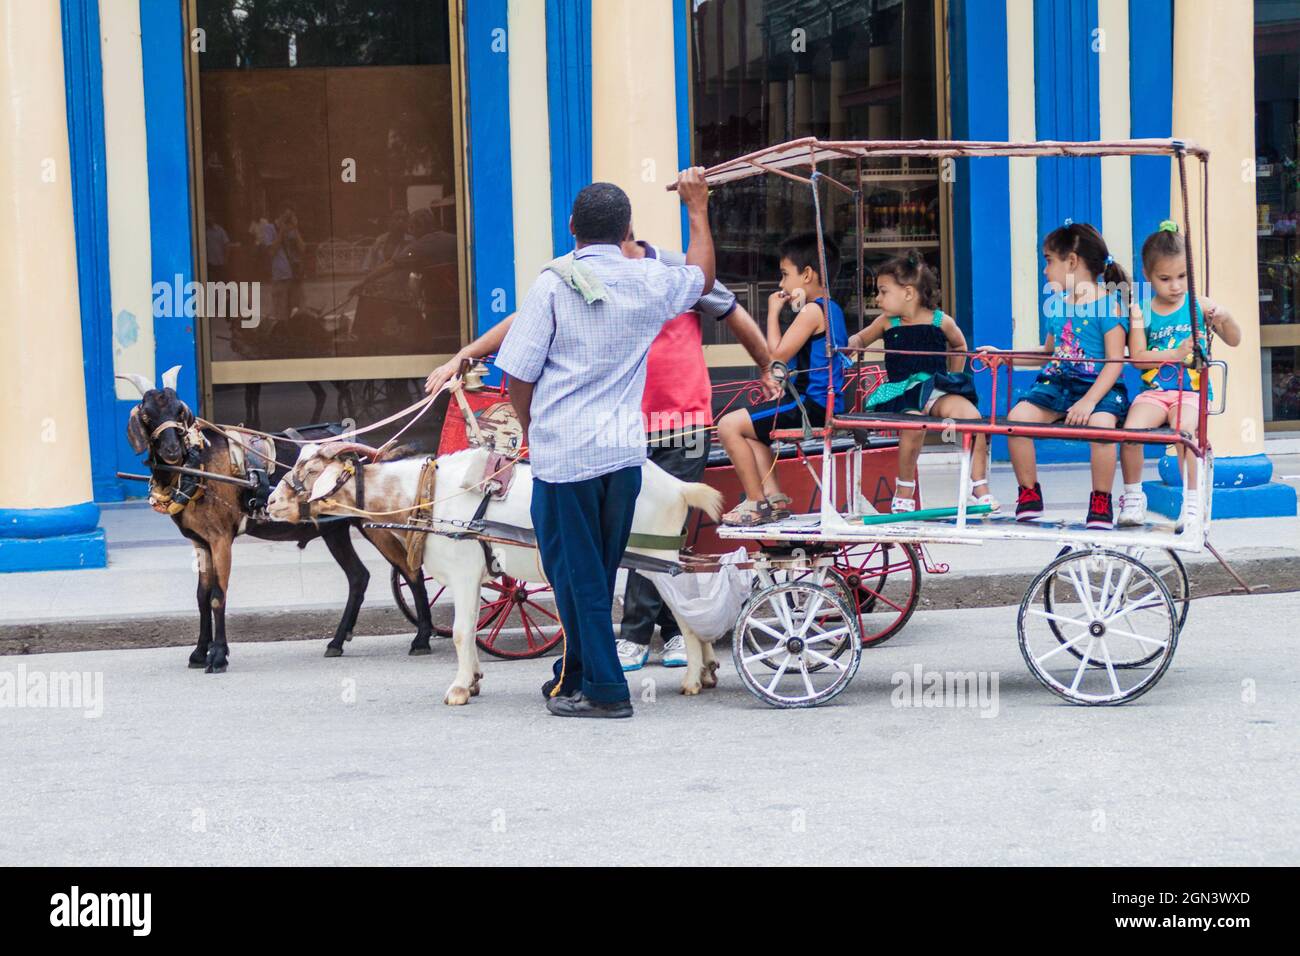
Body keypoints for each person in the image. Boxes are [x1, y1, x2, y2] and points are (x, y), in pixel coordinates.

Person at [425, 236, 779, 672]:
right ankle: (661, 632)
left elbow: (732, 310)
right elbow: (524, 321)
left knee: (662, 531)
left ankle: (640, 635)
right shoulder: (585, 274)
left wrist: (764, 364)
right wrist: (467, 353)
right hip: (621, 428)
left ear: (629, 240)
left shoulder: (671, 272)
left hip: (681, 422)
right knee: (636, 532)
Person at [493, 170, 717, 718]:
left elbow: (518, 377)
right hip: (622, 460)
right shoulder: (647, 280)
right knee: (592, 571)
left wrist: (532, 428)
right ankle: (575, 670)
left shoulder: (552, 283)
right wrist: (697, 207)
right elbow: (703, 277)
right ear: (627, 232)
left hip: (565, 460)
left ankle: (607, 692)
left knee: (578, 576)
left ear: (571, 227)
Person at [979, 220, 1131, 529]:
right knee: (1016, 421)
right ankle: (1029, 493)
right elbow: (1049, 352)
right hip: (1057, 383)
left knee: (1103, 427)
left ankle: (1101, 500)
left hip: (1098, 387)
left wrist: (1088, 403)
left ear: (1072, 261)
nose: (1045, 271)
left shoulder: (1109, 306)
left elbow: (1115, 362)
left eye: (1049, 261)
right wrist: (1006, 356)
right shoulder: (1057, 307)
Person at [715, 232, 849, 526]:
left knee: (727, 425)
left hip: (808, 407)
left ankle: (754, 502)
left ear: (808, 275)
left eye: (785, 275)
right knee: (754, 433)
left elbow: (776, 357)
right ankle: (774, 498)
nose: (781, 284)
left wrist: (773, 313)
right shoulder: (833, 309)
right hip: (815, 404)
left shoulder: (814, 310)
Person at [847, 251, 997, 513]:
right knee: (914, 425)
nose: (878, 298)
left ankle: (979, 486)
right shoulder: (886, 322)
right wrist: (849, 344)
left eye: (883, 291)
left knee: (973, 418)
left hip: (937, 389)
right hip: (903, 391)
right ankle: (904, 489)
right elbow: (860, 339)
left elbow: (960, 345)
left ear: (908, 293)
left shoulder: (941, 320)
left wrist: (953, 376)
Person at [1117, 221, 1241, 526]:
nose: (1175, 286)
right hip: (1155, 392)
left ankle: (1192, 500)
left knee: (1186, 433)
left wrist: (1225, 318)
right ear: (1148, 277)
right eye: (1165, 278)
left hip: (1191, 391)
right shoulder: (1141, 311)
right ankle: (1133, 496)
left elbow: (1235, 339)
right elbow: (1138, 359)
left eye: (1183, 276)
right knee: (1130, 433)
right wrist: (1174, 354)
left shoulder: (1199, 305)